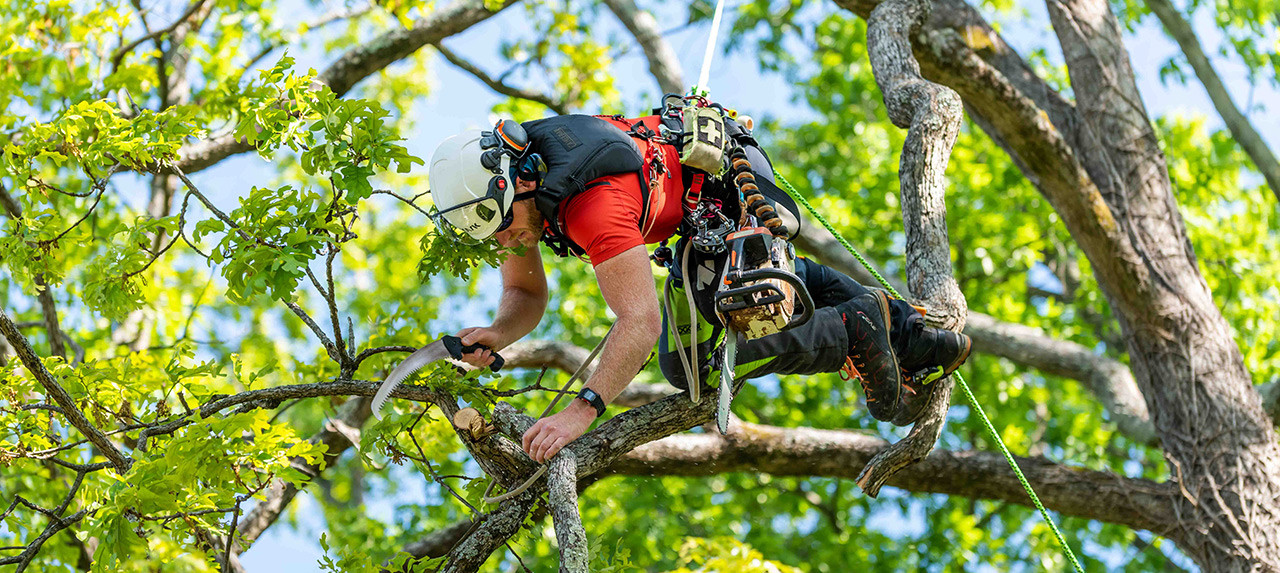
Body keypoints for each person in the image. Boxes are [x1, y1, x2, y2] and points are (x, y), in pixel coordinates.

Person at [427, 112, 970, 465]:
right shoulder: (515, 197)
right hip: (704, 201)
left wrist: (582, 410)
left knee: (707, 345)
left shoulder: (592, 207)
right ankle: (914, 335)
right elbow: (525, 294)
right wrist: (499, 332)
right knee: (702, 334)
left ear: (517, 178)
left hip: (726, 187)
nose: (511, 239)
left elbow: (639, 324)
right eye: (498, 233)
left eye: (508, 225)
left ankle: (852, 329)